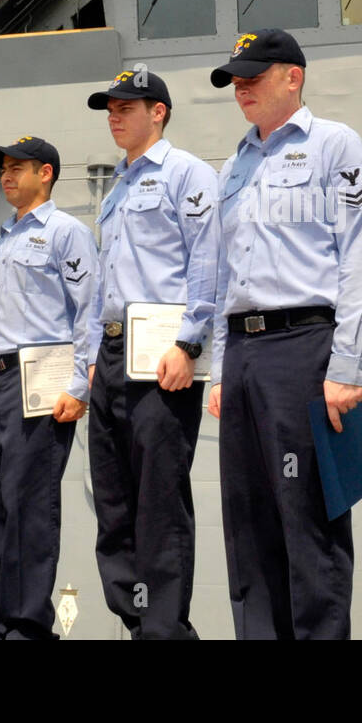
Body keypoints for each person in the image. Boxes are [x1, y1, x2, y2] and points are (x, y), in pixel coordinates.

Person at [206, 28, 362, 639]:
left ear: (293, 77)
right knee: (248, 524)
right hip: (244, 354)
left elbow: (359, 257)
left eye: (253, 76)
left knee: (309, 523)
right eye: (235, 80)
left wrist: (348, 366)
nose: (241, 89)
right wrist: (223, 367)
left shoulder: (336, 145)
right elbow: (228, 276)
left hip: (305, 348)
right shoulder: (232, 166)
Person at [85, 69, 219, 639]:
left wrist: (189, 342)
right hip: (112, 357)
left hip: (162, 356)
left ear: (158, 111)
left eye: (126, 106)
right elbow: (102, 282)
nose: (114, 115)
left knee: (159, 499)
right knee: (113, 501)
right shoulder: (114, 188)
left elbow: (206, 259)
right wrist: (92, 354)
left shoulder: (186, 173)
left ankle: (166, 630)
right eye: (109, 108)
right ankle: (136, 625)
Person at [0, 136, 97, 639]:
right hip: (0, 381)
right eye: (3, 169)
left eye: (17, 168)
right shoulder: (3, 238)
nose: (6, 176)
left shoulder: (66, 233)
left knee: (30, 508)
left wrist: (79, 386)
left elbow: (89, 308)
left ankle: (27, 629)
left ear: (45, 173)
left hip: (43, 381)